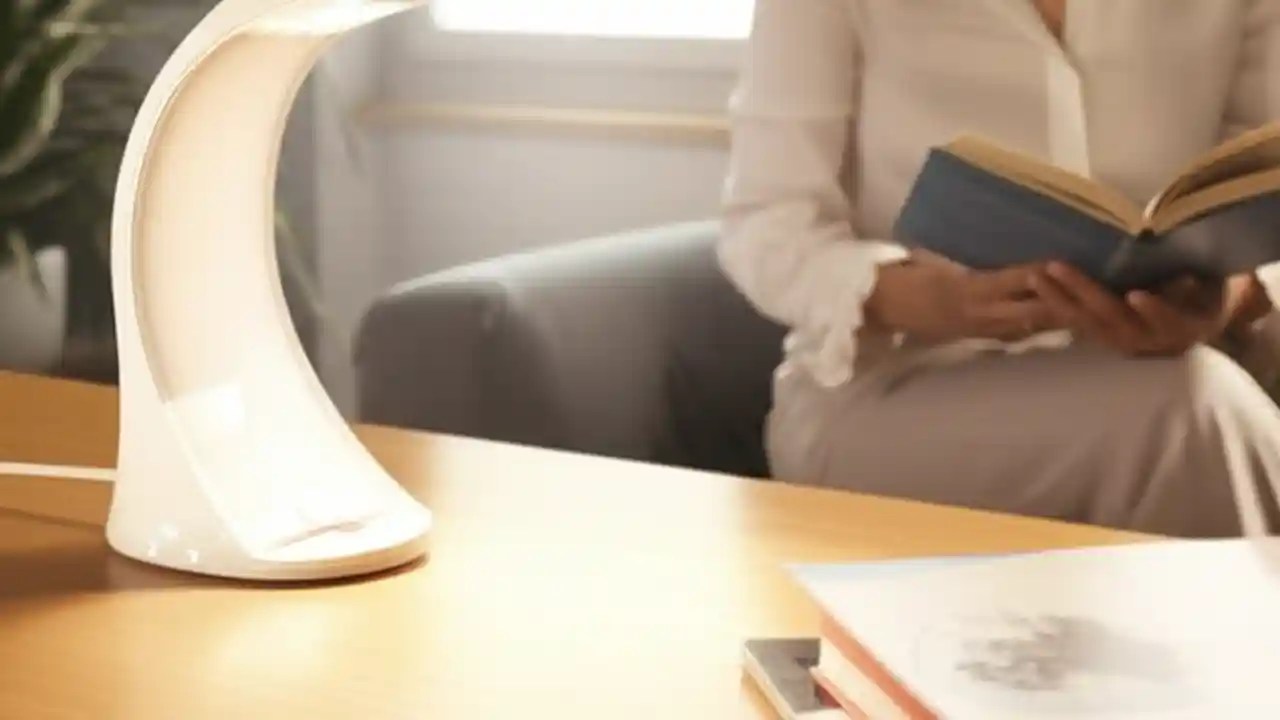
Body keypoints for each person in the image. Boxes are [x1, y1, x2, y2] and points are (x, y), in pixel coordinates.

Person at [719, 0, 1280, 537]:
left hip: (1179, 364)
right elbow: (767, 222)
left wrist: (1224, 299)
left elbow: (1260, 192)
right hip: (899, 390)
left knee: (1195, 404)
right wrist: (930, 300)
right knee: (1188, 417)